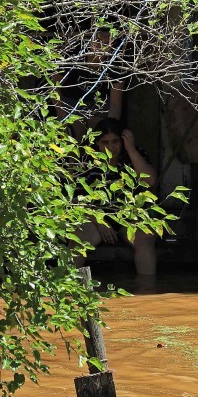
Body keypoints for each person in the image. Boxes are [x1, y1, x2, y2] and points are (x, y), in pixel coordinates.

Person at [80, 117, 158, 277]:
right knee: (79, 241)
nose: (110, 147)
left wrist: (131, 149)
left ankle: (148, 292)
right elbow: (77, 201)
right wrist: (100, 221)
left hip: (130, 215)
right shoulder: (87, 161)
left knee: (144, 240)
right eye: (105, 142)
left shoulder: (135, 155)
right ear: (97, 143)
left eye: (115, 142)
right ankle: (68, 290)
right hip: (96, 216)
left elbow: (150, 181)